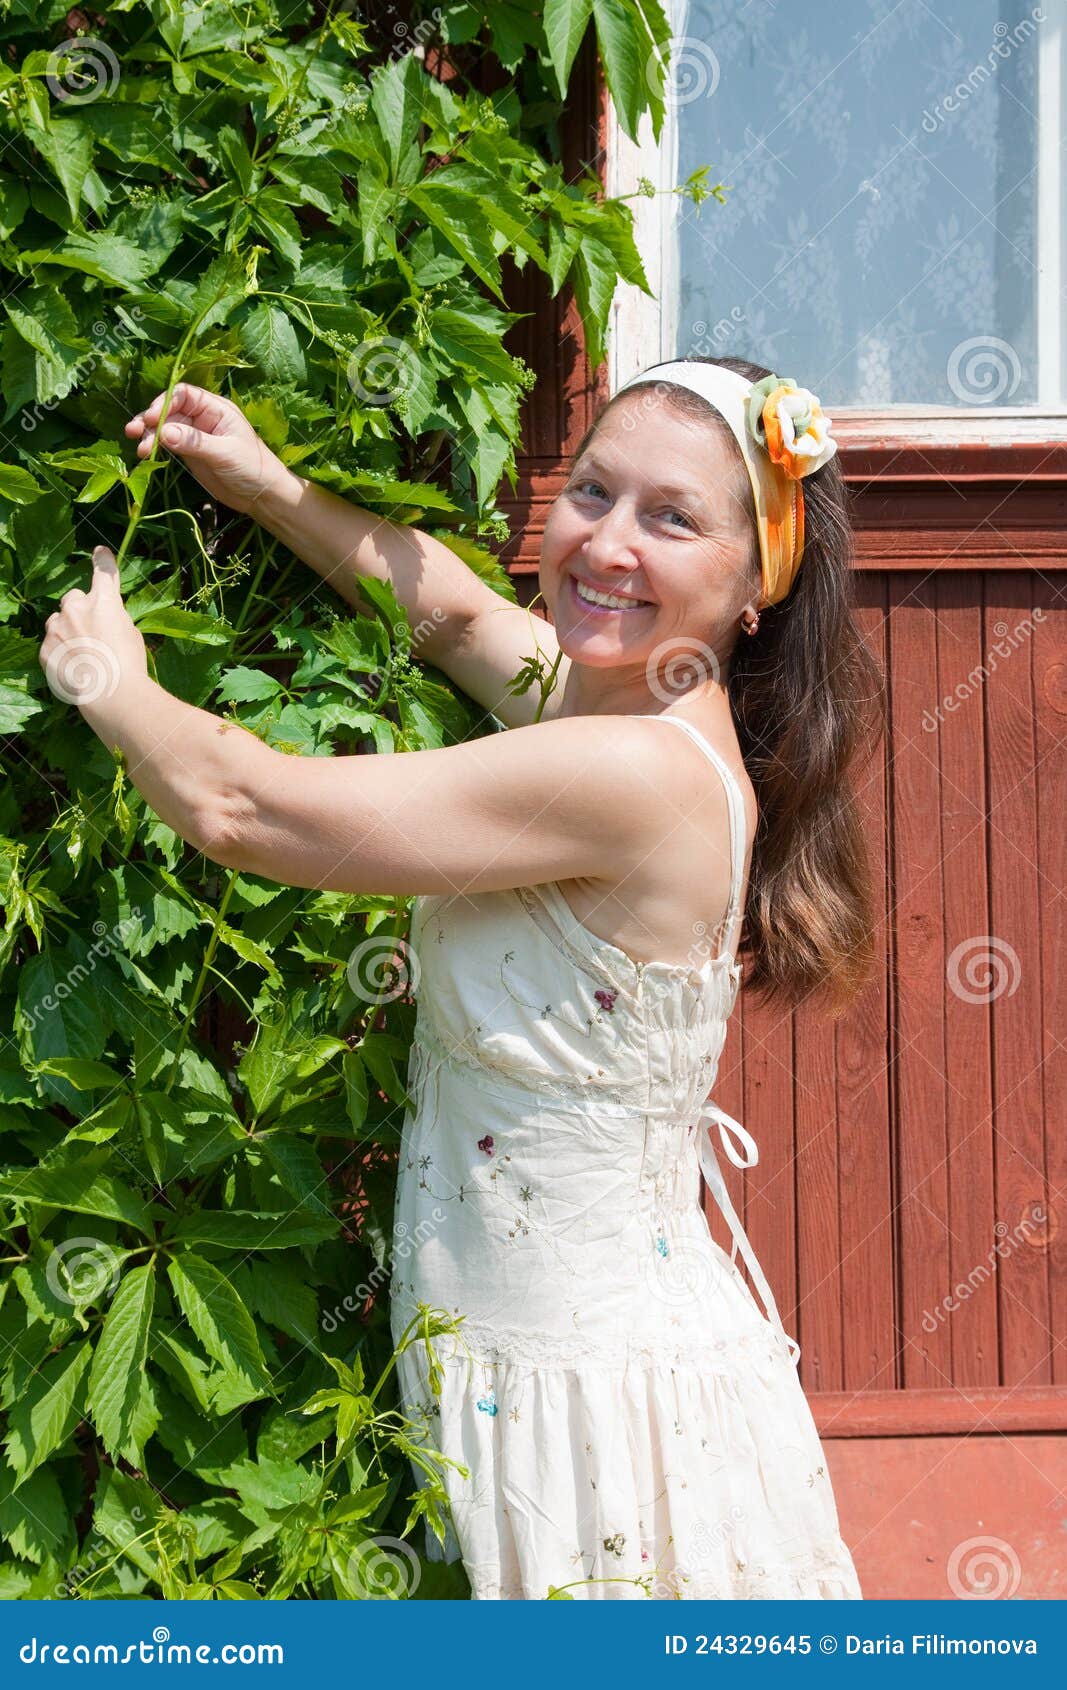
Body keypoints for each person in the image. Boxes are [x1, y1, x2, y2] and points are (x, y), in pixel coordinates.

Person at [40, 355, 880, 1601]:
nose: (606, 543)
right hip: (542, 1364)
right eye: (592, 491)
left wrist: (111, 680)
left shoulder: (634, 774)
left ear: (755, 582)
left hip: (588, 1406)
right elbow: (462, 618)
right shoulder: (615, 705)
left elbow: (245, 805)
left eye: (672, 517)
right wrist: (267, 485)